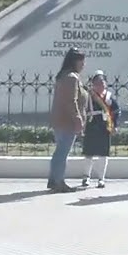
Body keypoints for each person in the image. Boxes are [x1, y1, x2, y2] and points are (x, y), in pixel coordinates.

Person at [49, 48, 88, 193]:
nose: (84, 64)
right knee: (62, 153)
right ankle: (58, 181)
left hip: (61, 119)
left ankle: (54, 180)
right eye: (82, 61)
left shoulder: (64, 76)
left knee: (59, 152)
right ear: (75, 61)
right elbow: (72, 101)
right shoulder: (72, 78)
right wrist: (78, 118)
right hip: (67, 121)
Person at [80, 70, 119, 189]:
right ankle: (86, 177)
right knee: (88, 153)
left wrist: (114, 125)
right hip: (92, 126)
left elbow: (116, 111)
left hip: (104, 127)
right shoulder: (89, 96)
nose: (100, 85)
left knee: (103, 154)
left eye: (102, 82)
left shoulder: (109, 97)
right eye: (97, 83)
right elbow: (83, 109)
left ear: (106, 84)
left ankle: (101, 178)